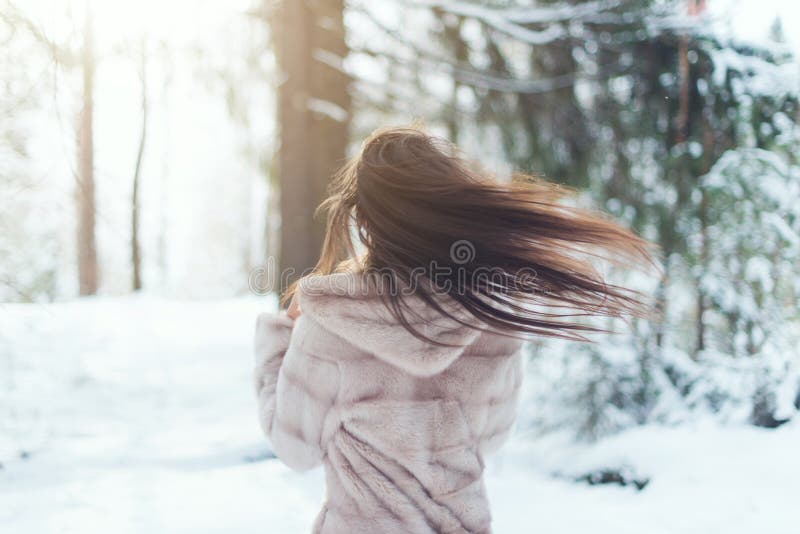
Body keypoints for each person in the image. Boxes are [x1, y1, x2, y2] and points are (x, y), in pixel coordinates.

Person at [253, 126, 657, 533]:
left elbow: (295, 448)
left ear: (363, 220)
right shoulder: (491, 317)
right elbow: (492, 438)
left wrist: (277, 342)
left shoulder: (332, 322)